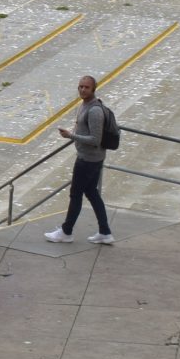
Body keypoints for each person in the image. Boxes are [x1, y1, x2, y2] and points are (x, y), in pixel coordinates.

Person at [44, 74, 114, 245]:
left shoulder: (95, 110)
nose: (82, 90)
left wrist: (71, 136)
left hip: (88, 160)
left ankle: (66, 232)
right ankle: (105, 232)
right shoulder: (85, 105)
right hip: (90, 158)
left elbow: (95, 140)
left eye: (86, 87)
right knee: (91, 193)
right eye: (80, 87)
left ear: (93, 89)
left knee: (76, 195)